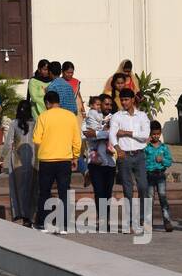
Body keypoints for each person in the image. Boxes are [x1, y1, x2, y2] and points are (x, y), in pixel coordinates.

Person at [32, 91, 81, 233]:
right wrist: (75, 156)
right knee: (64, 193)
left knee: (44, 192)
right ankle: (64, 225)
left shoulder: (43, 116)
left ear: (47, 103)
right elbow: (77, 139)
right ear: (58, 101)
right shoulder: (70, 116)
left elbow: (36, 139)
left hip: (47, 160)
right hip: (65, 160)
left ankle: (42, 224)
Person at [108, 88, 151, 231]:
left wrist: (126, 132)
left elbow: (145, 135)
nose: (124, 102)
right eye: (122, 100)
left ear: (133, 99)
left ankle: (143, 219)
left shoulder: (142, 116)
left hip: (139, 154)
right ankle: (130, 222)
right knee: (127, 190)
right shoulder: (117, 116)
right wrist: (117, 149)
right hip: (124, 155)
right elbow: (113, 135)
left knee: (143, 187)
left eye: (126, 99)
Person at [84, 95, 118, 230]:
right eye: (105, 104)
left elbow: (115, 135)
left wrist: (98, 133)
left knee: (107, 192)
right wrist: (105, 133)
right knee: (99, 191)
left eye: (110, 105)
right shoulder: (91, 117)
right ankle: (102, 218)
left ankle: (106, 219)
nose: (108, 107)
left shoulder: (115, 118)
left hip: (110, 162)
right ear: (99, 105)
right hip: (95, 162)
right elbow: (87, 134)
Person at [0, 98, 36, 226]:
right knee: (31, 188)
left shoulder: (14, 123)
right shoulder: (35, 123)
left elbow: (8, 143)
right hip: (33, 159)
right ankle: (29, 216)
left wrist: (1, 159)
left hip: (17, 160)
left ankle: (19, 212)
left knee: (18, 188)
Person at [144, 120, 175, 232]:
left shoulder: (164, 147)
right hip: (149, 175)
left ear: (160, 133)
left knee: (163, 197)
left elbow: (169, 162)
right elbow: (142, 161)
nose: (156, 136)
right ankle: (148, 223)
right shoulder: (146, 148)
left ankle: (167, 221)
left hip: (160, 175)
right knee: (149, 199)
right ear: (150, 134)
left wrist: (163, 160)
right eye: (153, 134)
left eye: (157, 134)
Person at [27, 60, 51, 126]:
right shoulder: (33, 81)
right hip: (36, 111)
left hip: (50, 111)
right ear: (39, 69)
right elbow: (34, 97)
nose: (47, 72)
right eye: (44, 69)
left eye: (48, 70)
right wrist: (44, 91)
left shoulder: (52, 80)